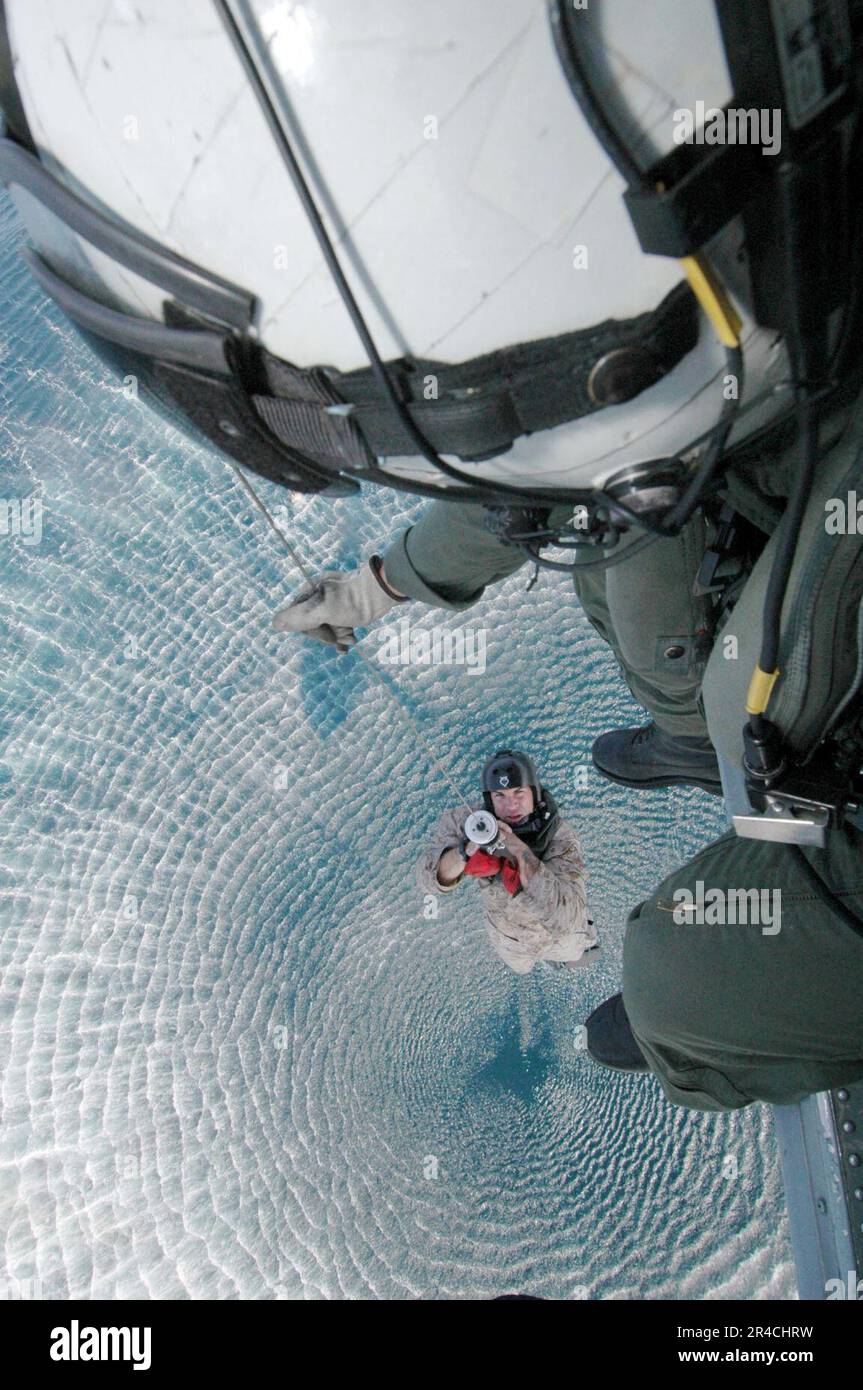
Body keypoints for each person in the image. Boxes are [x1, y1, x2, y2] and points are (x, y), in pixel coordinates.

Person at [416, 749, 597, 976]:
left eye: (519, 793)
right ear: (488, 799)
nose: (511, 806)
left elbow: (566, 919)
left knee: (572, 951)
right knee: (520, 967)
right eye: (499, 796)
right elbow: (428, 881)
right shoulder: (469, 823)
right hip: (507, 935)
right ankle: (545, 960)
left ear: (534, 792)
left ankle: (574, 953)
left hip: (561, 936)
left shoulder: (561, 838)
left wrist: (516, 849)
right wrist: (464, 852)